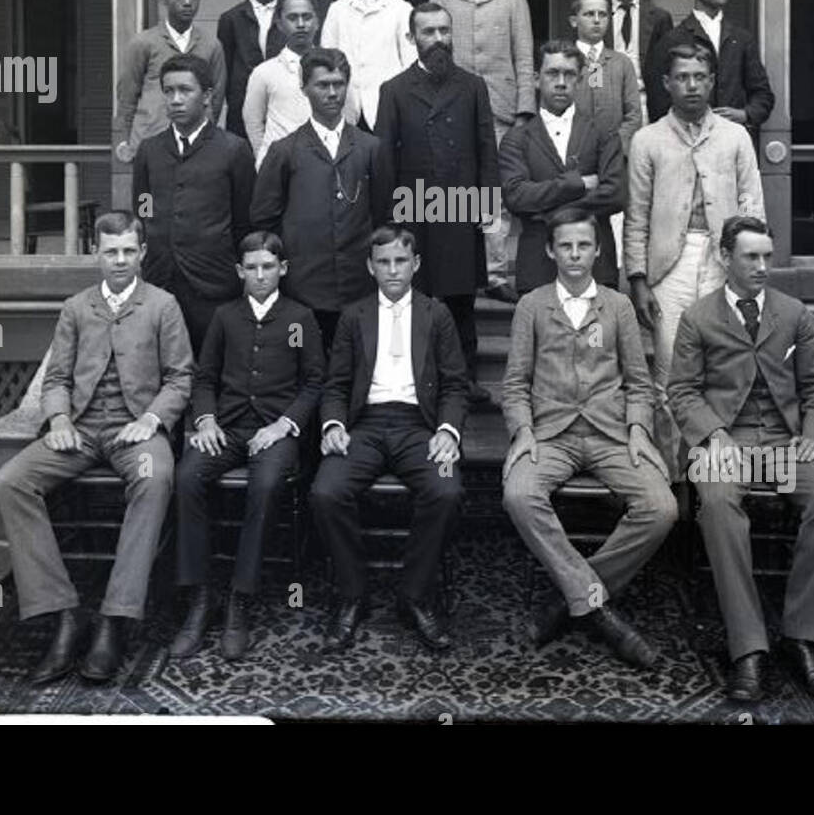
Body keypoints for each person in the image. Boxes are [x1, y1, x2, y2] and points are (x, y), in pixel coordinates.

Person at [0, 211, 193, 684]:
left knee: (155, 477)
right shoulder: (76, 308)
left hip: (136, 431)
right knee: (9, 483)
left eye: (128, 251)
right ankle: (62, 612)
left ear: (141, 253)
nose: (119, 260)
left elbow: (181, 376)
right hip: (80, 431)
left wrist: (150, 419)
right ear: (96, 255)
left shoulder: (163, 306)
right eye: (110, 251)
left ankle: (115, 618)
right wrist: (58, 419)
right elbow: (57, 378)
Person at [668, 216, 814, 703]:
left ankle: (804, 638)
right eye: (751, 256)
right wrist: (713, 435)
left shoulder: (792, 314)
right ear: (724, 258)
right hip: (727, 443)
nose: (762, 266)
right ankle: (748, 648)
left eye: (767, 256)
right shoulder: (698, 317)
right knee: (720, 509)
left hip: (784, 446)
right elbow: (681, 392)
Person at [501, 207, 675, 668]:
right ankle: (598, 609)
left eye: (583, 246)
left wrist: (638, 431)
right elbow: (515, 384)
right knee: (519, 495)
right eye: (565, 246)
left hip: (610, 433)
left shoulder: (617, 306)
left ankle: (571, 598)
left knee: (661, 508)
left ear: (598, 250)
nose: (575, 255)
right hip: (551, 435)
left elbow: (639, 382)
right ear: (550, 250)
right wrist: (522, 432)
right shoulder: (532, 306)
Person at [309, 226, 469, 652]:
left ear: (415, 264)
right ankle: (353, 591)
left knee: (447, 489)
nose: (393, 270)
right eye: (384, 262)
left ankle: (413, 594)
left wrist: (448, 432)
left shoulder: (437, 315)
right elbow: (335, 384)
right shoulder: (353, 315)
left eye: (401, 261)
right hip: (365, 426)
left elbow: (455, 384)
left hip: (420, 426)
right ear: (370, 266)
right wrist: (333, 425)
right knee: (326, 492)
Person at [170, 232, 325, 661]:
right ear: (240, 272)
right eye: (252, 268)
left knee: (267, 483)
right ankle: (200, 599)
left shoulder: (299, 319)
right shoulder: (225, 317)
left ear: (283, 269)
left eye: (268, 267)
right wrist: (204, 420)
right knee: (186, 478)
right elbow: (204, 378)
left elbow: (314, 382)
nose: (260, 275)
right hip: (228, 428)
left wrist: (284, 425)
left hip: (275, 431)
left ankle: (241, 597)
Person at [624, 40, 764, 477]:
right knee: (670, 371)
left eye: (699, 77)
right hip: (670, 263)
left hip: (723, 262)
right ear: (666, 84)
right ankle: (674, 476)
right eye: (681, 77)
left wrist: (748, 270)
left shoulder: (735, 136)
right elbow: (637, 214)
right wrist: (639, 278)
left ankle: (714, 474)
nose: (691, 86)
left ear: (712, 82)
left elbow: (752, 205)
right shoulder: (648, 140)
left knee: (722, 364)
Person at [375, 2, 500, 407]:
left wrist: (487, 205)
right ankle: (418, 380)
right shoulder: (393, 90)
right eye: (428, 32)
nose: (438, 40)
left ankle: (465, 380)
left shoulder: (472, 85)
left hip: (461, 204)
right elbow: (384, 159)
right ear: (413, 38)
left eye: (444, 31)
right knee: (419, 297)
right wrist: (391, 220)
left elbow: (486, 147)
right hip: (414, 208)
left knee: (462, 298)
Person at [251, 47, 394, 354]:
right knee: (302, 363)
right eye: (322, 85)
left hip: (358, 288)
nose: (332, 93)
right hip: (302, 292)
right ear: (304, 89)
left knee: (353, 367)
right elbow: (264, 222)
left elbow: (385, 216)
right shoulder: (284, 151)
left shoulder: (370, 148)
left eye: (339, 84)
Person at [430, 0, 534, 303]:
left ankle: (494, 274)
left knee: (497, 193)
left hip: (501, 108)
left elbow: (523, 56)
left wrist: (525, 110)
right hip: (454, 108)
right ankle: (457, 269)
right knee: (457, 191)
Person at [132, 54, 256, 357]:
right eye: (169, 91)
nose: (175, 99)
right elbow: (143, 211)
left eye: (185, 90)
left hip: (213, 284)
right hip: (161, 281)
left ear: (207, 96)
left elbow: (244, 221)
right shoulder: (150, 151)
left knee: (211, 367)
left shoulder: (233, 150)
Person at [499, 40, 623, 296]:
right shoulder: (517, 138)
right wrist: (577, 185)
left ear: (579, 80)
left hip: (596, 270)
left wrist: (547, 210)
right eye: (552, 73)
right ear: (536, 79)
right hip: (538, 268)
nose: (560, 82)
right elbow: (515, 197)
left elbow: (616, 194)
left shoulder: (603, 132)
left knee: (596, 337)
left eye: (569, 74)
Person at [645, 0, 774, 130]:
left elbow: (763, 94)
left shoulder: (742, 38)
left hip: (731, 141)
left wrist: (745, 114)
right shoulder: (671, 40)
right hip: (685, 143)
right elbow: (657, 100)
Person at [114, 0, 227, 163]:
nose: (187, 2)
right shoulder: (144, 43)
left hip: (196, 148)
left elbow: (215, 98)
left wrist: (205, 135)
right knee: (148, 194)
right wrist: (123, 141)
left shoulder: (211, 45)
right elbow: (127, 97)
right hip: (150, 140)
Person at [568, 0, 642, 270]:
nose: (597, 20)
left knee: (610, 218)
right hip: (573, 160)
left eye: (603, 14)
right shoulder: (566, 60)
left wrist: (613, 153)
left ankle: (610, 273)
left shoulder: (621, 63)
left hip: (613, 160)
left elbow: (633, 114)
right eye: (590, 14)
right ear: (574, 20)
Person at [243, 0, 358, 167]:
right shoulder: (264, 72)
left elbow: (351, 110)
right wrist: (266, 156)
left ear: (317, 22)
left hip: (326, 162)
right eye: (292, 18)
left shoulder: (334, 69)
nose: (301, 24)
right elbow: (253, 120)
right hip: (280, 165)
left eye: (307, 17)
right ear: (279, 24)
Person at [319, 0, 415, 130]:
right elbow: (326, 60)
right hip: (344, 108)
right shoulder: (338, 8)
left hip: (386, 109)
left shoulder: (401, 9)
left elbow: (410, 66)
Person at [217, 0, 287, 139]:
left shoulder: (291, 15)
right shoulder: (231, 19)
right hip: (242, 111)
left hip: (283, 107)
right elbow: (226, 70)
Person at [603, 0, 672, 120]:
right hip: (604, 106)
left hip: (648, 107)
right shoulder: (596, 15)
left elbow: (668, 69)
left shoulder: (659, 18)